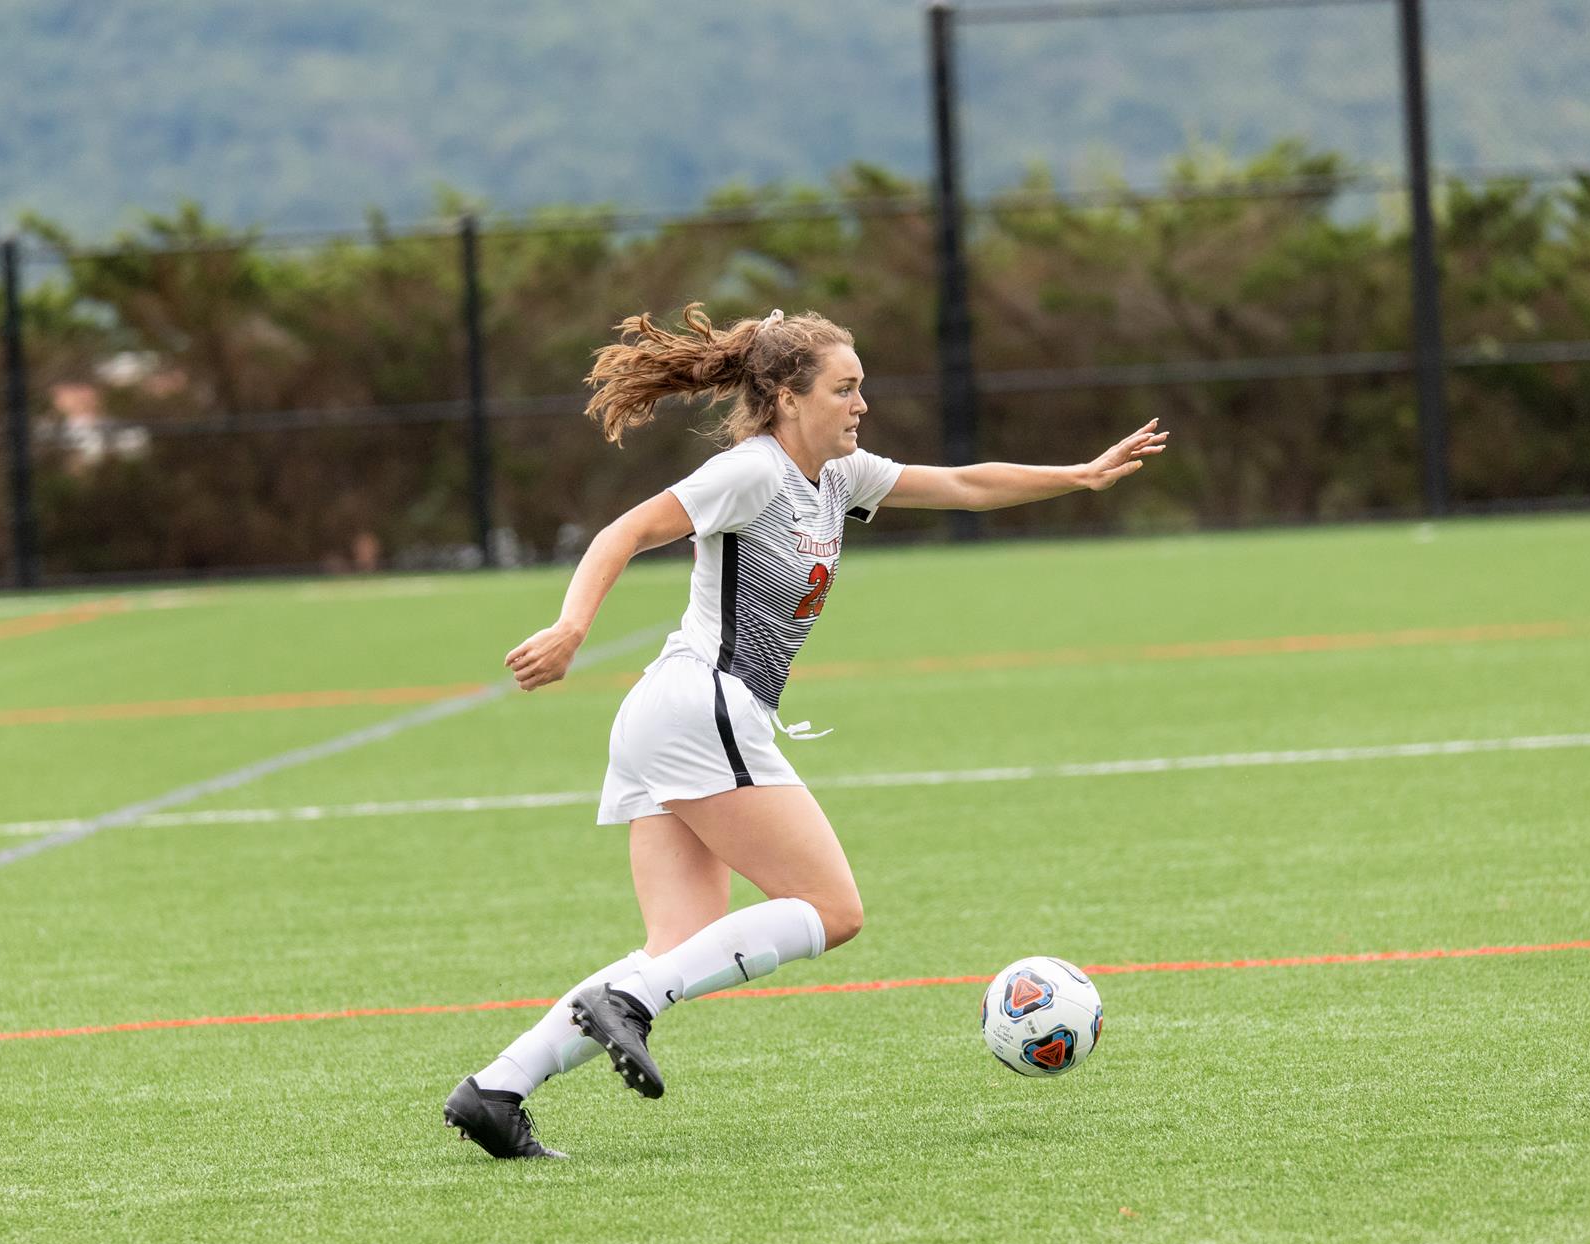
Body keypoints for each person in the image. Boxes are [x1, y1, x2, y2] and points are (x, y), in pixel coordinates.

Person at [443, 304, 1166, 1158]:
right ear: (787, 396)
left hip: (669, 715)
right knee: (831, 907)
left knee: (675, 949)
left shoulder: (839, 476)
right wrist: (570, 628)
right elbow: (626, 530)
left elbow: (964, 484)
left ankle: (497, 1089)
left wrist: (1079, 476)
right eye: (845, 387)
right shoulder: (752, 473)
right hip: (701, 707)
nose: (861, 404)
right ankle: (630, 1006)